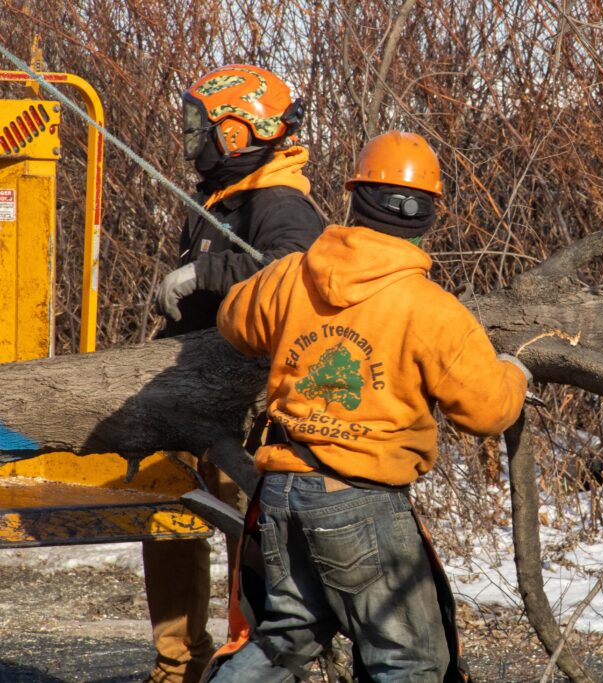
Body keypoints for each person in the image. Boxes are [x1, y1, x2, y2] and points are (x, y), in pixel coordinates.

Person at [208, 130, 530, 681]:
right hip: (360, 499)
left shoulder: (293, 274)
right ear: (428, 214)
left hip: (283, 489)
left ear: (355, 196)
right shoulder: (431, 309)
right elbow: (488, 411)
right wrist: (516, 373)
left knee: (284, 640)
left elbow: (234, 321)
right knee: (409, 662)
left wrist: (284, 294)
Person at [145, 64, 327, 683]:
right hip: (190, 399)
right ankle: (177, 668)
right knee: (167, 522)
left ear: (238, 133)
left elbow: (296, 269)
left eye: (200, 126)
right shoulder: (221, 197)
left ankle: (245, 668)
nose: (191, 138)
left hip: (245, 407)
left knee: (248, 540)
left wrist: (204, 274)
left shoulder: (279, 200)